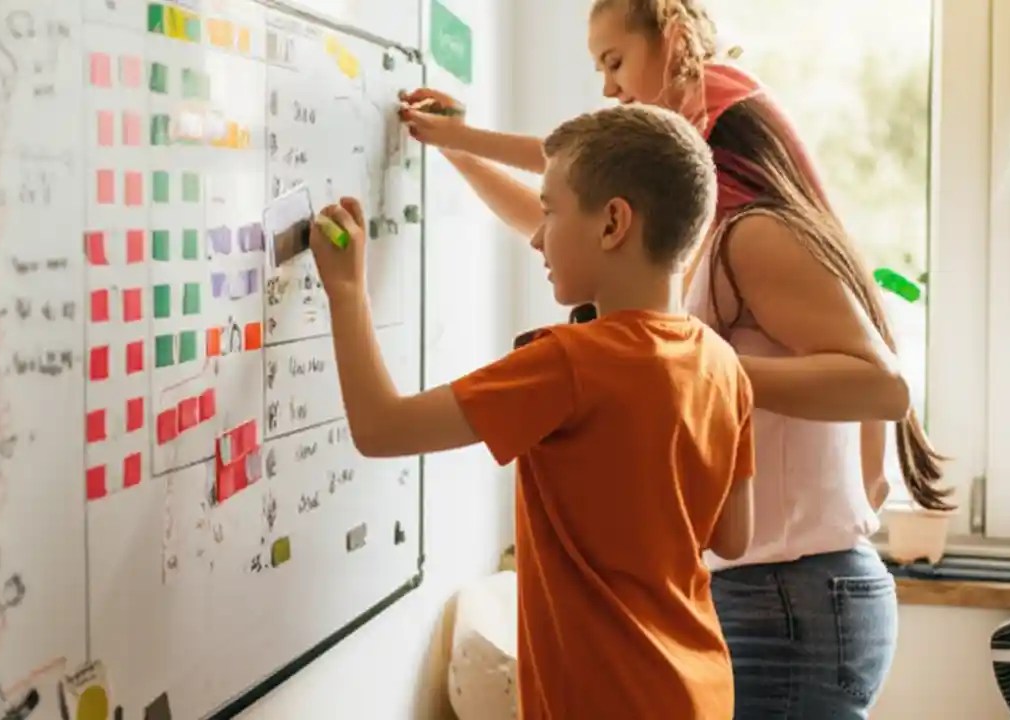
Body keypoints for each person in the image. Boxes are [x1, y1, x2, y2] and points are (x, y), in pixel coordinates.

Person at [398, 1, 953, 717]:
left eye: (615, 62)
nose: (607, 88)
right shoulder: (702, 246)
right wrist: (456, 145)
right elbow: (563, 211)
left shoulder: (755, 237)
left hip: (790, 598)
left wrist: (687, 370)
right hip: (769, 588)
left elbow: (885, 388)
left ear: (681, 50)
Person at [309, 104, 755, 719]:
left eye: (550, 210)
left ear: (613, 223)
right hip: (697, 688)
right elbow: (733, 537)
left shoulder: (571, 362)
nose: (540, 235)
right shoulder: (722, 363)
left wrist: (347, 292)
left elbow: (381, 427)